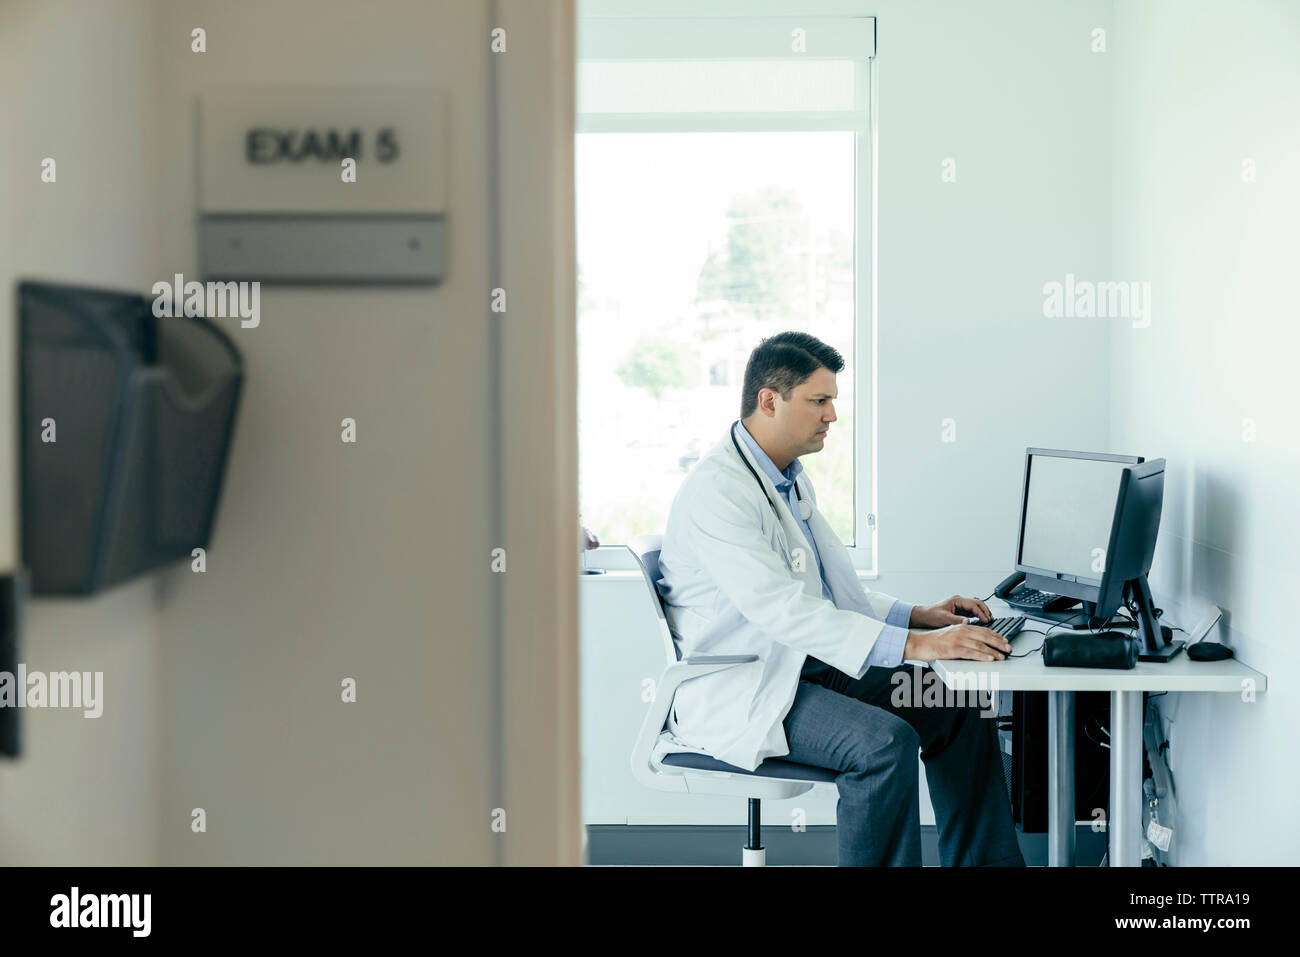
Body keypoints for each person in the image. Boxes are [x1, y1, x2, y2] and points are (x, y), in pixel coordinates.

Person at [656, 331, 1025, 866]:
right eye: (819, 400)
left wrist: (917, 616)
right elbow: (782, 609)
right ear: (769, 401)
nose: (832, 415)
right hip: (749, 684)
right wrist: (920, 647)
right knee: (881, 746)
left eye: (833, 401)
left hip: (806, 664)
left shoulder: (784, 479)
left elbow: (826, 592)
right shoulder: (719, 493)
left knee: (955, 703)